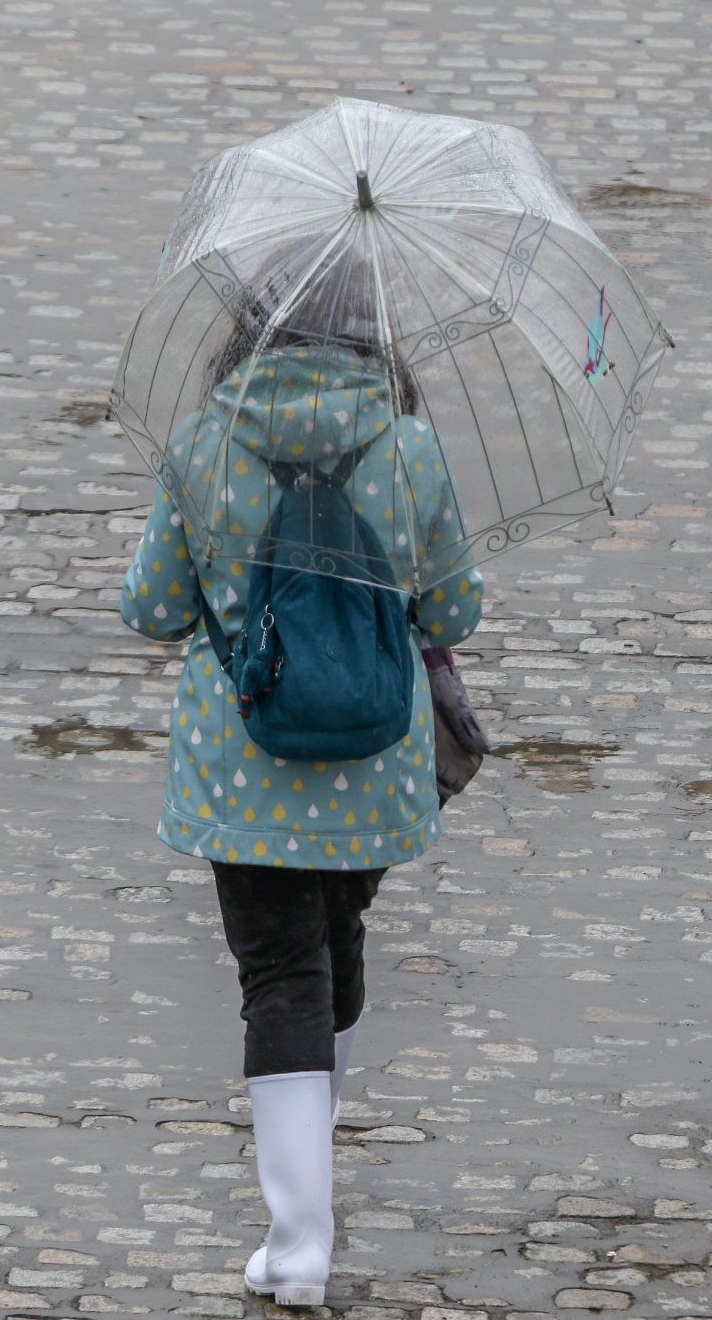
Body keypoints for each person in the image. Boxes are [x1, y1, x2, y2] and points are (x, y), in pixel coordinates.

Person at [118, 294, 484, 1307]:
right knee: (337, 939)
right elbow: (455, 608)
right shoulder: (407, 447)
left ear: (250, 335)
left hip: (244, 764)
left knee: (279, 973)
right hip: (372, 757)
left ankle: (297, 1242)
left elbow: (151, 609)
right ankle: (308, 1201)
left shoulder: (205, 442)